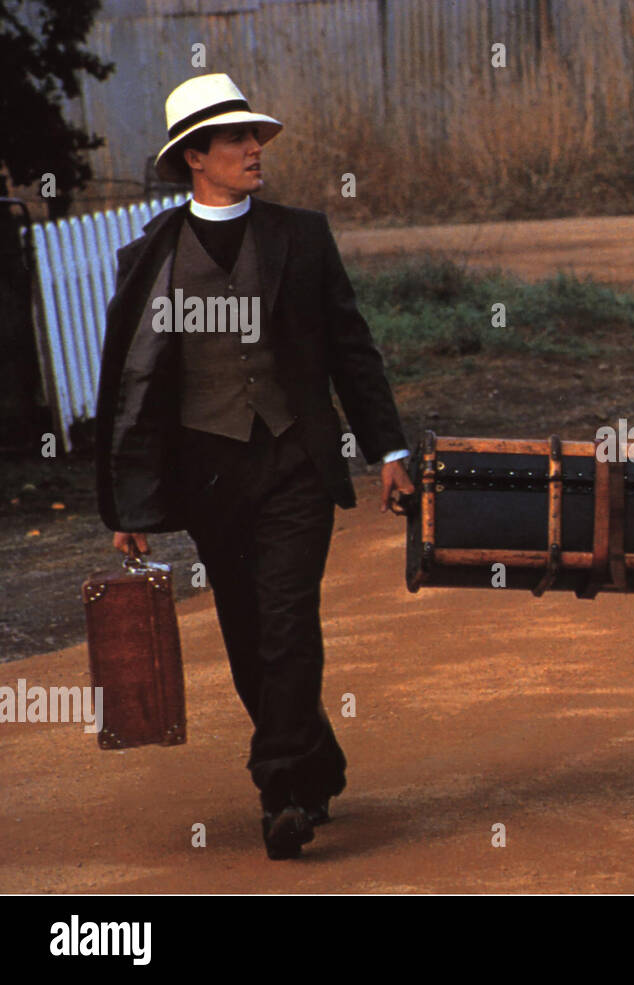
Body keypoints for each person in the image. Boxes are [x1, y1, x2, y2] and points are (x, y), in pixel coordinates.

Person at [94, 74, 415, 857]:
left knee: (288, 619)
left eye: (254, 136)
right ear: (195, 156)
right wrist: (126, 505)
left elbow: (352, 348)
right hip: (209, 475)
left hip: (296, 461)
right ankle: (315, 761)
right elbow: (132, 386)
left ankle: (279, 789)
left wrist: (391, 449)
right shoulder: (150, 258)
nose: (253, 148)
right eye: (235, 138)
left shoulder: (301, 237)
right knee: (246, 633)